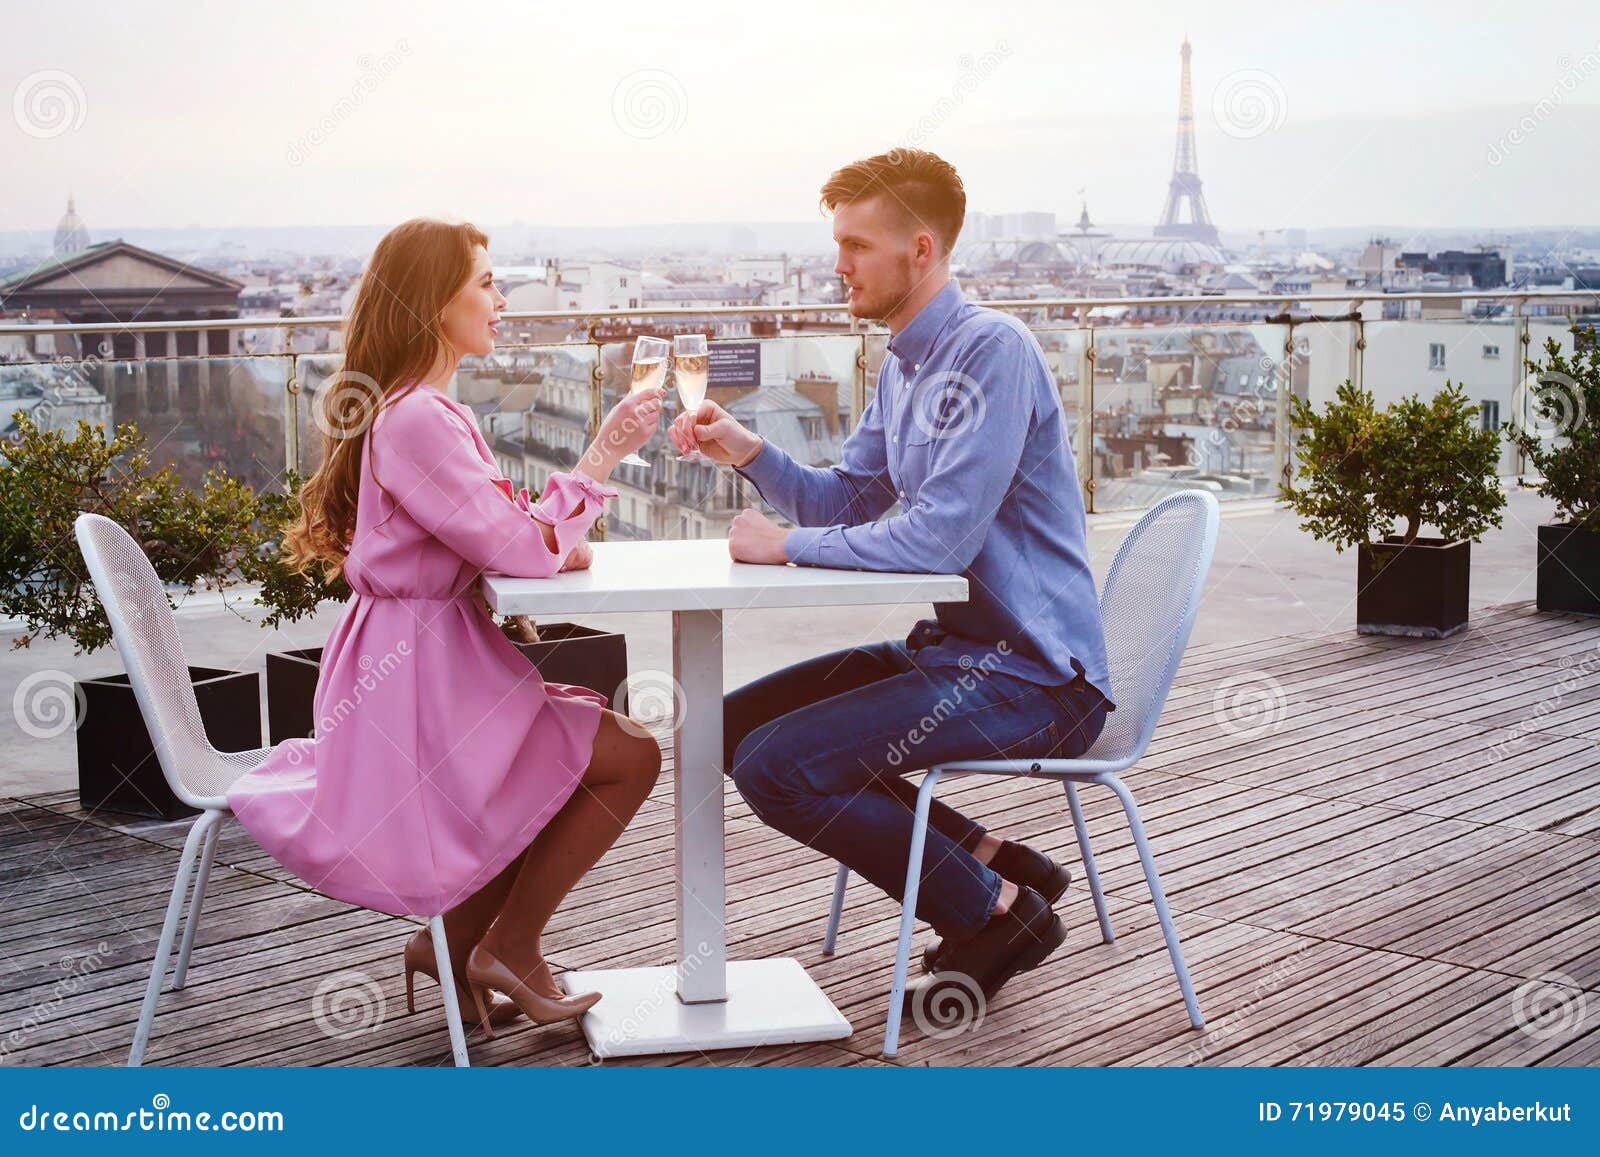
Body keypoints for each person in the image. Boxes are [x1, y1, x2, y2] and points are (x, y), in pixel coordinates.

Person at [668, 150, 1116, 1013]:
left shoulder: (993, 351)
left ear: (920, 248)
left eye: (855, 245)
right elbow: (855, 494)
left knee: (779, 768)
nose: (837, 265)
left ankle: (998, 912)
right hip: (959, 654)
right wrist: (751, 452)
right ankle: (988, 861)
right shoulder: (905, 361)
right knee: (729, 729)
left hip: (1037, 676)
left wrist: (788, 546)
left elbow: (941, 535)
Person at [229, 218, 666, 1038]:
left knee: (589, 758)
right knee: (627, 754)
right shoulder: (421, 419)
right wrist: (599, 459)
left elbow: (501, 532)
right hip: (420, 681)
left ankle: (459, 941)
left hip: (422, 664)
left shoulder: (416, 411)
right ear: (435, 303)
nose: (502, 300)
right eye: (487, 283)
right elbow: (516, 547)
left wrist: (545, 536)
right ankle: (507, 945)